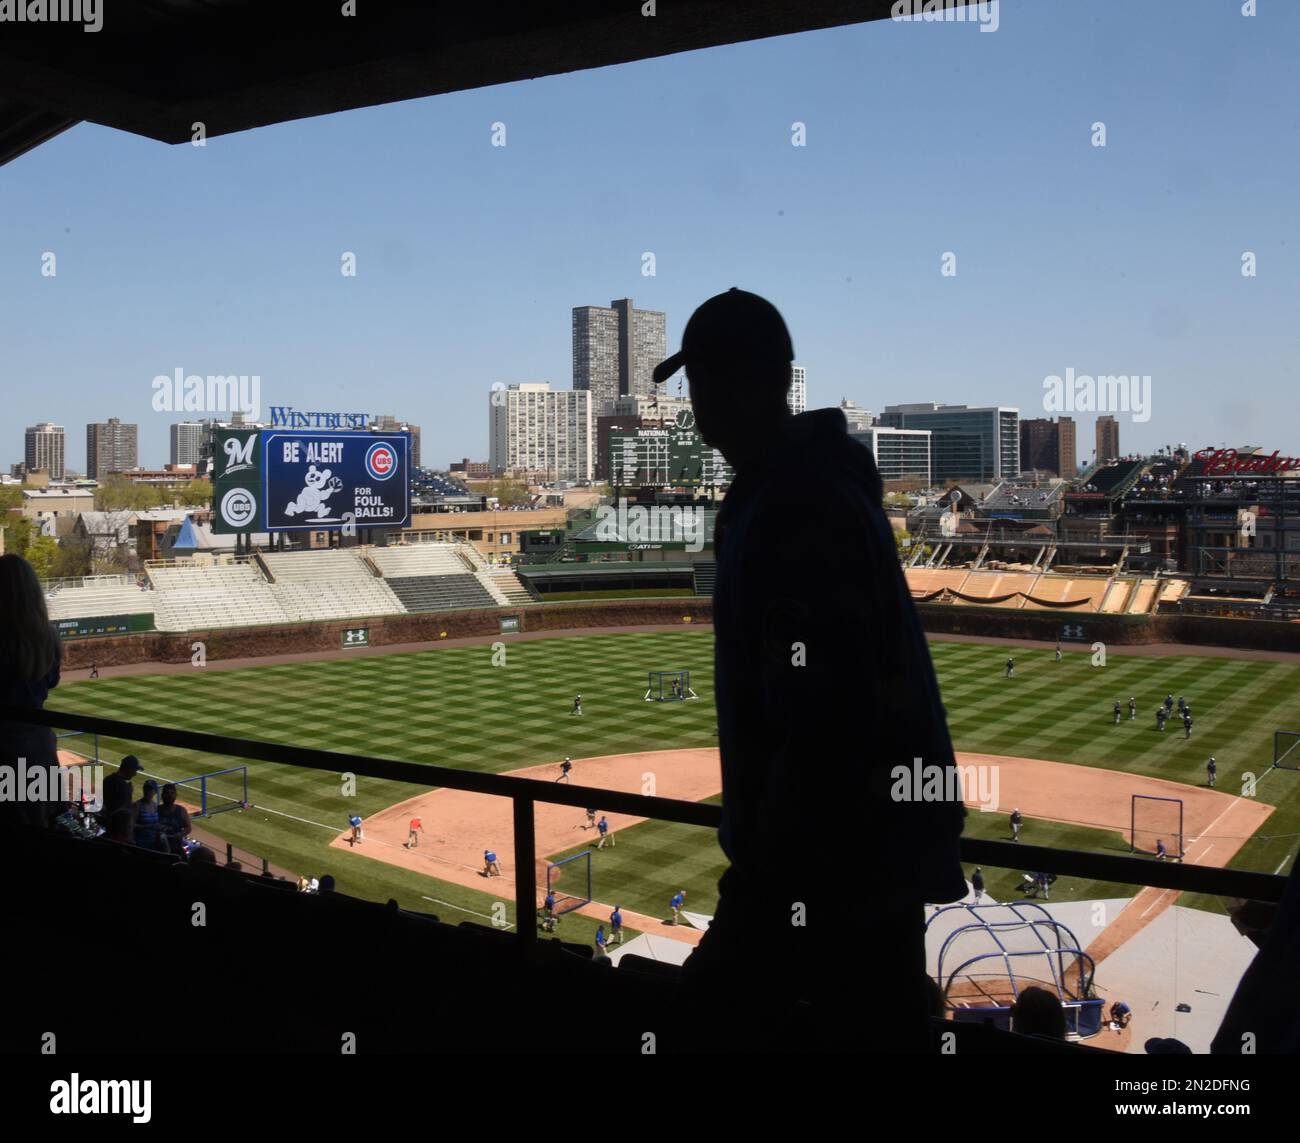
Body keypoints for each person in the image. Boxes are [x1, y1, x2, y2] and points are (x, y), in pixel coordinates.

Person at [662, 290, 965, 1051]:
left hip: (827, 874)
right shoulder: (812, 481)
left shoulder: (794, 502)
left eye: (701, 381)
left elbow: (823, 717)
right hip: (862, 868)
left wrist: (766, 880)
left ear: (748, 384)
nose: (694, 402)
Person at [0, 554, 65, 829]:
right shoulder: (47, 636)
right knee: (40, 828)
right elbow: (50, 682)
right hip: (39, 744)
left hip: (3, 744)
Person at [101, 755, 143, 826]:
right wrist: (135, 808)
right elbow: (125, 814)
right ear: (128, 769)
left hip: (107, 822)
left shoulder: (107, 779)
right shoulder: (124, 787)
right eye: (135, 770)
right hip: (119, 828)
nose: (135, 774)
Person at [132, 779, 168, 852]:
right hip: (140, 844)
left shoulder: (155, 806)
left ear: (155, 791)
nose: (147, 792)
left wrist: (161, 827)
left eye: (150, 789)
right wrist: (148, 827)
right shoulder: (137, 805)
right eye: (146, 789)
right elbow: (131, 826)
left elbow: (155, 823)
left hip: (153, 844)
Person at [156, 782, 192, 856]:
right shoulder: (156, 810)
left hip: (176, 848)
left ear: (176, 795)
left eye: (172, 793)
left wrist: (180, 834)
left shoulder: (181, 810)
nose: (169, 795)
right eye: (167, 793)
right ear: (162, 795)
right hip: (158, 847)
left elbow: (188, 828)